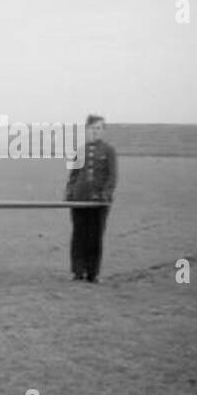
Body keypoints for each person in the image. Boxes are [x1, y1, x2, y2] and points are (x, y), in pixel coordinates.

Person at [65, 114, 117, 282]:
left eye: (99, 129)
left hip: (98, 202)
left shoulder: (109, 151)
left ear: (103, 131)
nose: (96, 132)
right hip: (80, 200)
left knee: (95, 237)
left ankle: (92, 273)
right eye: (93, 128)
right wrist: (70, 193)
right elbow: (73, 175)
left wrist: (105, 195)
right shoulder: (79, 150)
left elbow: (112, 177)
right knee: (79, 235)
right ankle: (77, 271)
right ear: (87, 130)